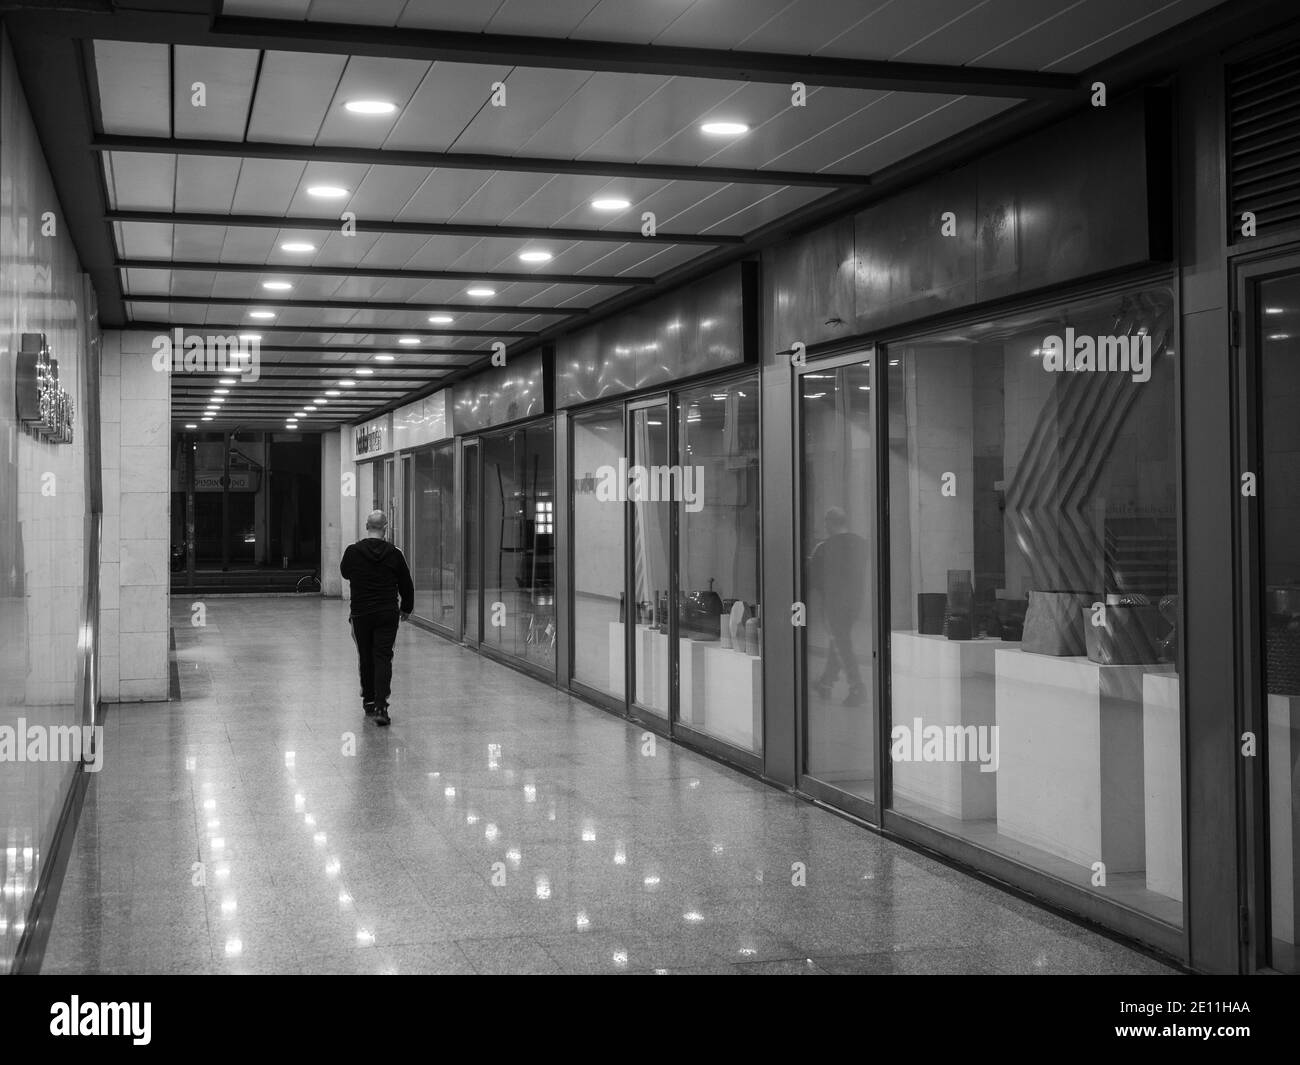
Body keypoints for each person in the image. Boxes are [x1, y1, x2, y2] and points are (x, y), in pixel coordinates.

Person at [340, 510, 413, 726]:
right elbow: (406, 583)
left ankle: (369, 701)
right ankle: (382, 706)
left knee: (365, 655)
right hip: (386, 612)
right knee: (382, 656)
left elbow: (345, 573)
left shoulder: (353, 552)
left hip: (361, 613)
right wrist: (406, 608)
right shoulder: (394, 553)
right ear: (386, 527)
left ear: (366, 526)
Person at [807, 506, 868, 706]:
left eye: (826, 522)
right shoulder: (861, 544)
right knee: (839, 640)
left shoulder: (825, 547)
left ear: (830, 523)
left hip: (834, 603)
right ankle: (826, 682)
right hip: (854, 601)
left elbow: (813, 577)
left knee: (842, 643)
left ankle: (857, 686)